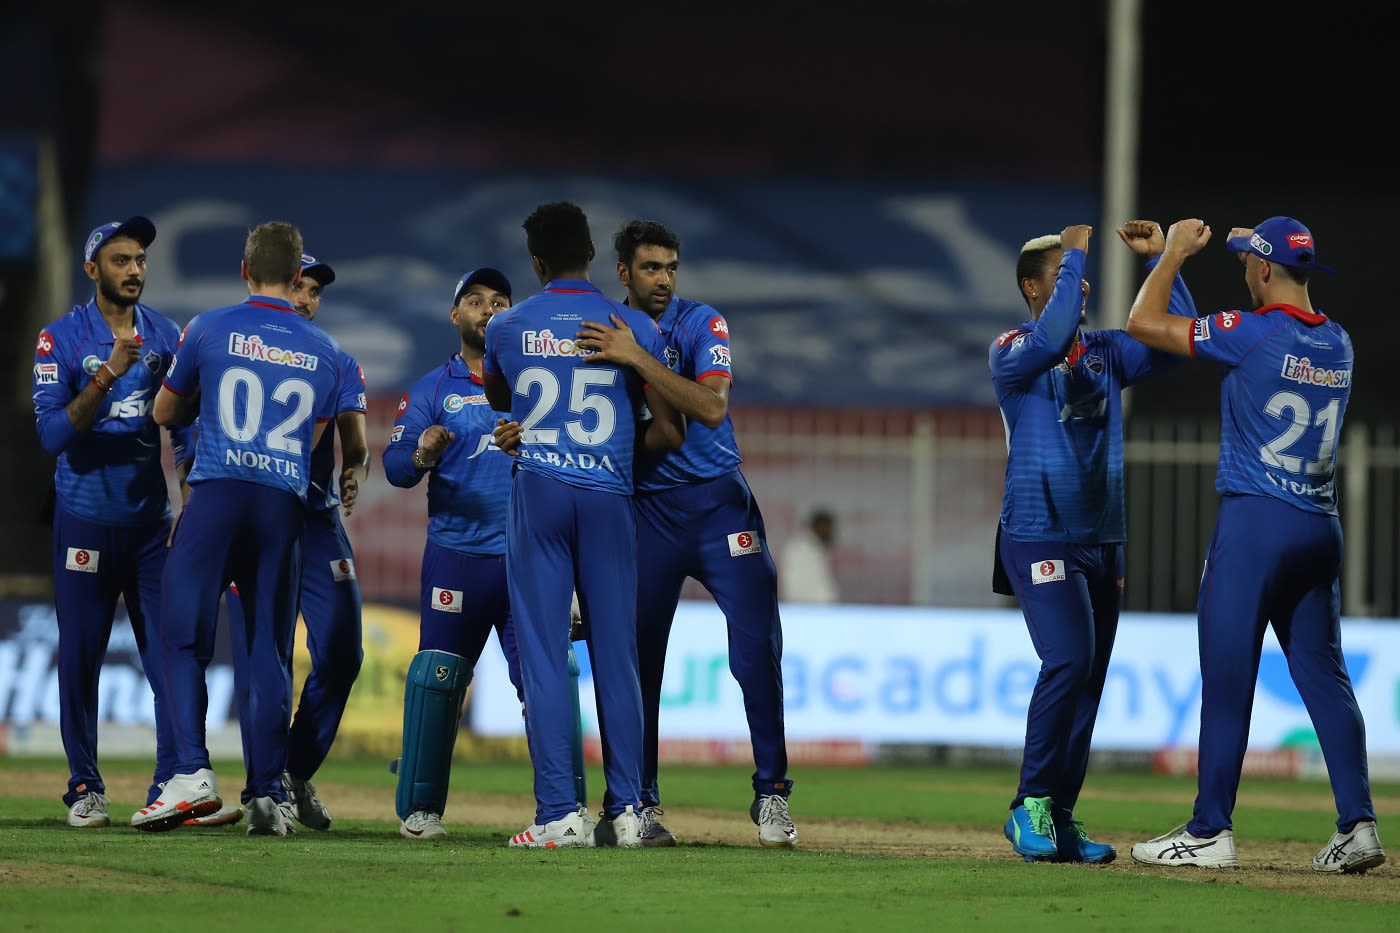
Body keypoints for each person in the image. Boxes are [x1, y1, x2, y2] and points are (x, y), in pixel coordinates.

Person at [1126, 217, 1385, 874]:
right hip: (1318, 529)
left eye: (1247, 262)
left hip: (1256, 526)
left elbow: (1142, 324)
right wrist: (1191, 256)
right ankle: (1358, 825)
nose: (1243, 271)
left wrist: (1173, 256)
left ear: (1265, 271)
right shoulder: (1340, 343)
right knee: (1326, 681)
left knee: (1227, 675)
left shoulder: (1252, 333)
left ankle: (1210, 829)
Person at [574, 218, 798, 848]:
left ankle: (772, 795)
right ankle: (638, 803)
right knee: (637, 662)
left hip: (720, 505)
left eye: (671, 267)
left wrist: (637, 358)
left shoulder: (704, 323)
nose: (664, 279)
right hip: (647, 512)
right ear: (623, 273)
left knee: (756, 650)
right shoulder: (600, 332)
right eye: (650, 267)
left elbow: (712, 407)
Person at [990, 221, 1198, 864]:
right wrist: (1077, 248)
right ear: (1032, 286)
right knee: (1068, 660)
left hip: (1103, 539)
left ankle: (1060, 813)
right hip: (1037, 531)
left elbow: (1173, 342)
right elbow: (1053, 336)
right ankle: (1027, 807)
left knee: (1090, 680)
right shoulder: (1012, 348)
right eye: (1061, 277)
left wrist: (1163, 263)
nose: (1076, 288)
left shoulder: (1106, 350)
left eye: (1077, 278)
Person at [482, 201, 685, 848]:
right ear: (594, 254)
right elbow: (668, 432)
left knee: (544, 657)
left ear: (537, 263)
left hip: (539, 491)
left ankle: (557, 815)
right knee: (617, 658)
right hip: (607, 496)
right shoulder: (631, 326)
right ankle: (627, 811)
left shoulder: (507, 326)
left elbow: (499, 397)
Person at [131, 221, 343, 837]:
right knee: (270, 654)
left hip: (219, 494)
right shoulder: (326, 351)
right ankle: (268, 796)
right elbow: (315, 441)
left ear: (245, 270)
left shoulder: (209, 327)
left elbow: (164, 411)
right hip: (282, 506)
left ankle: (191, 771)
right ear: (296, 274)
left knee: (178, 635)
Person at [186, 253, 369, 831]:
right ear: (279, 285)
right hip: (261, 518)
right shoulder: (233, 345)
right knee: (264, 655)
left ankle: (288, 771)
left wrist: (354, 472)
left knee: (343, 653)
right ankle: (267, 788)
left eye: (315, 291)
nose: (307, 298)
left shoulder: (336, 359)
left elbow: (356, 445)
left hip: (315, 520)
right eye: (299, 286)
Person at [31, 215, 192, 828]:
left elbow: (182, 424)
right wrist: (108, 374)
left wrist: (192, 497)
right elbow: (49, 435)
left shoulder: (166, 335)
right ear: (92, 269)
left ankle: (169, 784)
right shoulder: (59, 339)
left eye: (141, 261)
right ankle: (84, 787)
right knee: (81, 657)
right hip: (86, 523)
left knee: (167, 658)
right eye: (121, 261)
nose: (134, 271)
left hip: (151, 527)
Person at [381, 266, 527, 840]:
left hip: (526, 561)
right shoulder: (431, 390)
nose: (488, 309)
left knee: (549, 682)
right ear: (455, 315)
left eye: (499, 301)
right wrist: (422, 451)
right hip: (456, 561)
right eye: (475, 300)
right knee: (437, 682)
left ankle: (561, 811)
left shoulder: (536, 384)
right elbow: (395, 470)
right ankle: (421, 809)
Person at [778, 508, 840, 605]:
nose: (830, 532)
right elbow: (796, 586)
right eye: (828, 528)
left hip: (813, 609)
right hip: (809, 610)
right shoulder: (800, 549)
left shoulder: (816, 548)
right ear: (819, 526)